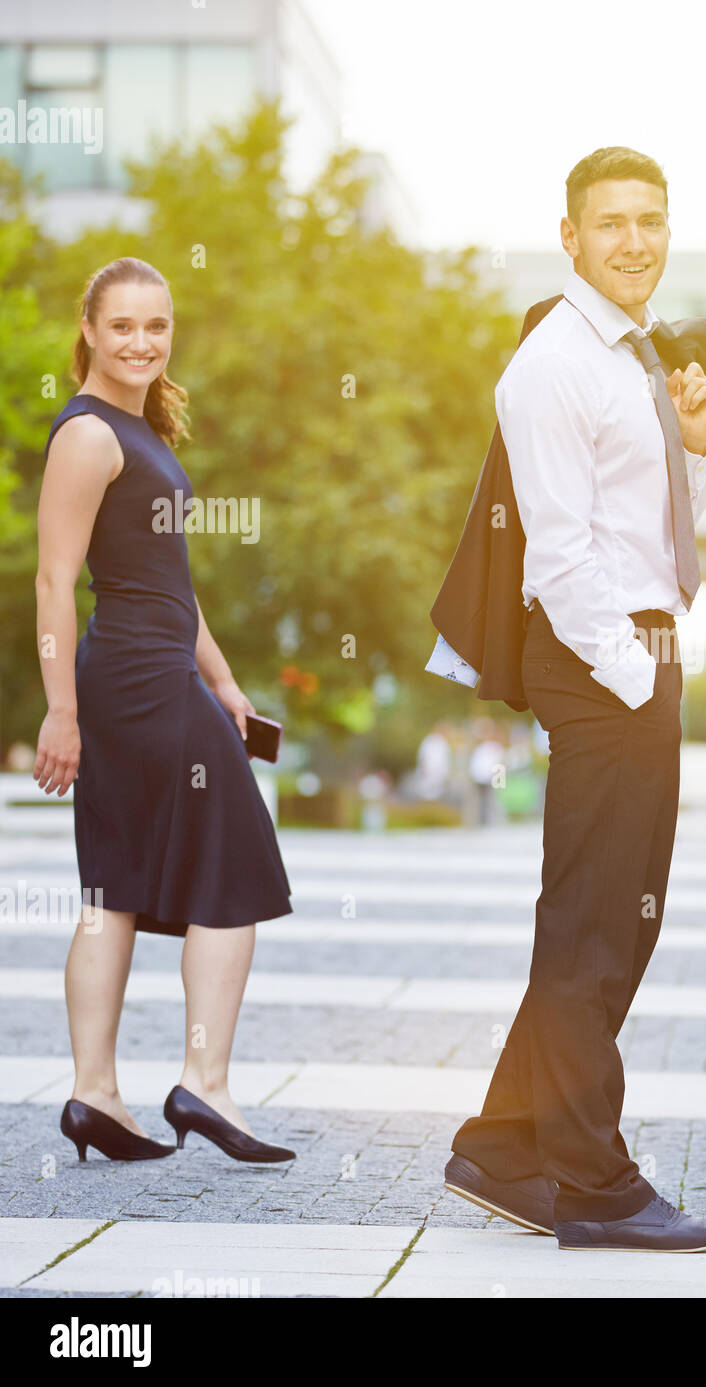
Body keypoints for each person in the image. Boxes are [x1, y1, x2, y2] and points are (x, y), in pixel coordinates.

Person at [444, 146, 706, 1252]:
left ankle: (499, 1144)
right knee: (591, 931)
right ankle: (595, 1180)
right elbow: (565, 560)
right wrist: (629, 679)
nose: (633, 241)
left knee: (616, 922)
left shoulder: (633, 358)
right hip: (602, 662)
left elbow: (647, 533)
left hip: (640, 653)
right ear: (568, 236)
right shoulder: (551, 365)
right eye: (610, 223)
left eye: (650, 221)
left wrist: (697, 448)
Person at [34, 257, 295, 1166]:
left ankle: (95, 1096)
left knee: (112, 888)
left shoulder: (140, 431)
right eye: (123, 327)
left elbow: (170, 587)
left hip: (156, 670)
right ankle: (203, 1083)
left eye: (157, 325)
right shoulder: (89, 437)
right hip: (134, 682)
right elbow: (54, 581)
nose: (141, 342)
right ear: (91, 333)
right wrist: (59, 710)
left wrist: (223, 682)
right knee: (237, 868)